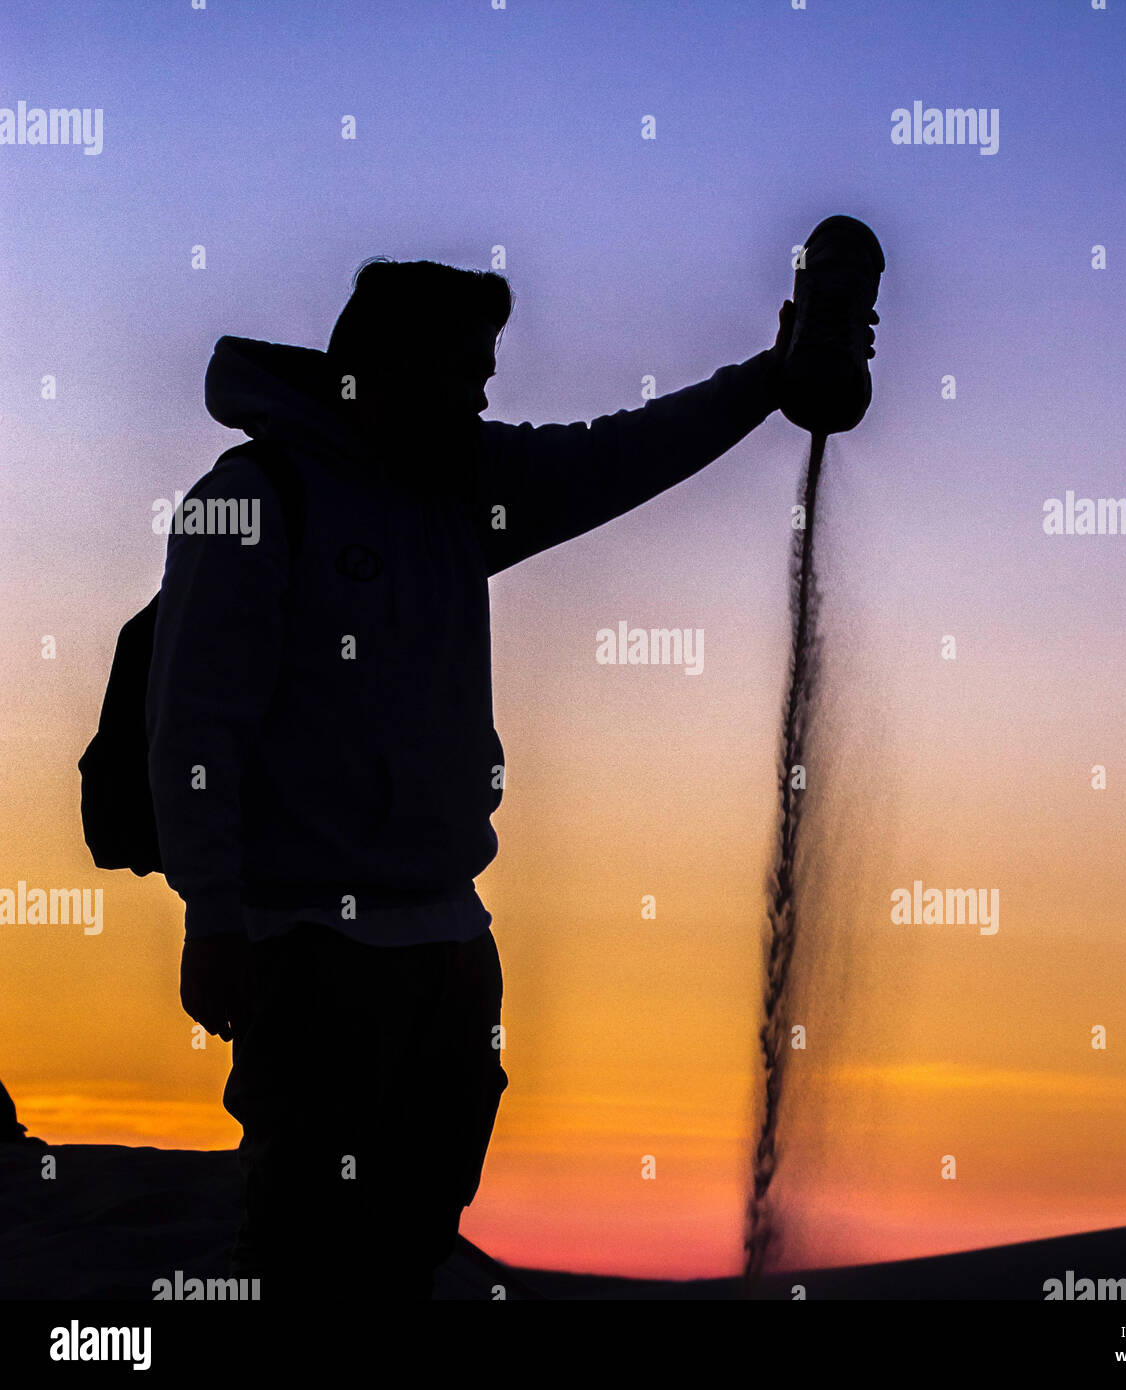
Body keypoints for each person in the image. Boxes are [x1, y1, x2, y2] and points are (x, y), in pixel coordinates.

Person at [146, 256, 795, 1297]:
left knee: (412, 1238)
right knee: (303, 1237)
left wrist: (772, 378)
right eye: (464, 370)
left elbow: (618, 454)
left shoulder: (462, 489)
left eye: (485, 371)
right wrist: (212, 915)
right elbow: (192, 731)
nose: (483, 394)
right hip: (307, 946)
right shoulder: (252, 500)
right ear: (383, 368)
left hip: (450, 943)